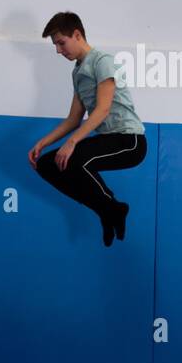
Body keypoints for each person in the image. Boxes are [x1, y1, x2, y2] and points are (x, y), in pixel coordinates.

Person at [29, 12, 147, 247]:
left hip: (129, 141)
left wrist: (71, 142)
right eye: (55, 46)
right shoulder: (77, 72)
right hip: (108, 139)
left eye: (61, 43)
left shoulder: (102, 61)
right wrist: (43, 143)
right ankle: (107, 210)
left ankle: (111, 207)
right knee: (47, 165)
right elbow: (74, 119)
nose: (58, 50)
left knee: (73, 160)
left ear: (77, 35)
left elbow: (103, 109)